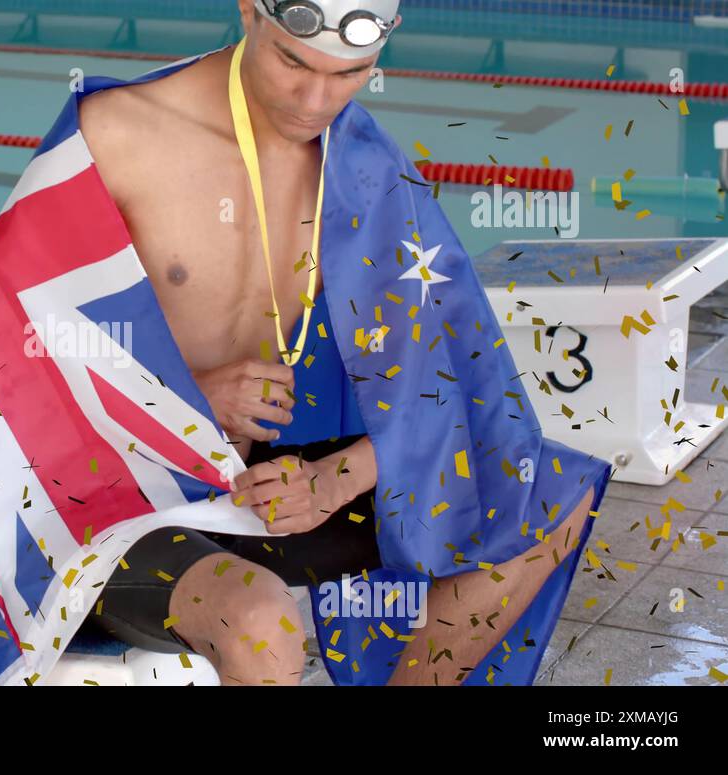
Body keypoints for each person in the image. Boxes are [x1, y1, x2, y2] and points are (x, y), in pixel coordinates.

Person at [72, 0, 596, 686]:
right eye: (293, 61)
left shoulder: (361, 162)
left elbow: (448, 384)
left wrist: (331, 479)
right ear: (249, 12)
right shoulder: (113, 134)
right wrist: (191, 398)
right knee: (264, 626)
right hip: (114, 509)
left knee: (544, 494)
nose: (316, 101)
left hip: (257, 495)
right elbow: (9, 373)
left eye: (351, 73)